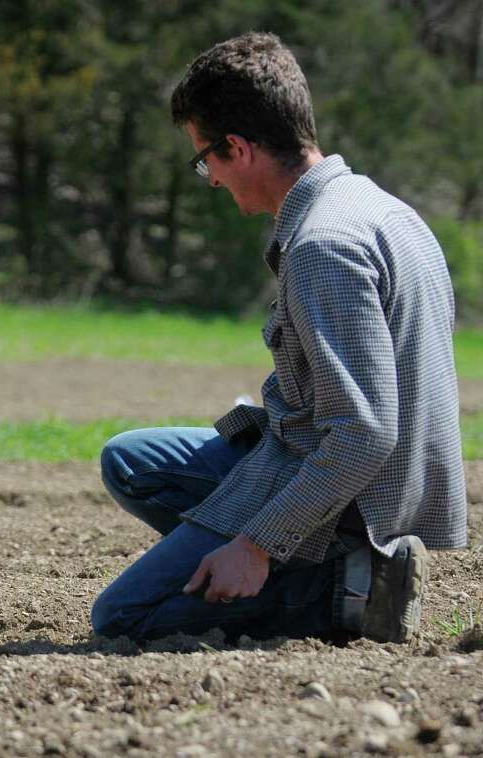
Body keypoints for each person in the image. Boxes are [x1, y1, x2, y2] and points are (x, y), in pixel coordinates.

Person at [91, 32, 466, 643]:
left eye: (205, 159)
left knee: (123, 620)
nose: (209, 178)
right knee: (133, 462)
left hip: (354, 501)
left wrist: (258, 543)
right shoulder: (379, 207)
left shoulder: (326, 246)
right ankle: (313, 565)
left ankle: (343, 589)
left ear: (237, 148)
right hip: (324, 460)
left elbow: (365, 433)